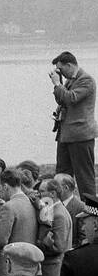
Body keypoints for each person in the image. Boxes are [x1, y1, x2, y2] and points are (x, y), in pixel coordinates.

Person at [51, 51, 97, 198]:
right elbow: (62, 100)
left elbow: (70, 99)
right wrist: (58, 85)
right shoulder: (70, 80)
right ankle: (65, 209)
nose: (60, 73)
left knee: (84, 178)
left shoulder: (86, 80)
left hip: (81, 136)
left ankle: (92, 213)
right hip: (65, 135)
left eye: (61, 69)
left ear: (69, 65)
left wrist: (57, 84)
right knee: (62, 175)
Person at [36, 178, 73, 276]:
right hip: (50, 273)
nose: (39, 194)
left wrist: (38, 243)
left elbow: (58, 247)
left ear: (52, 193)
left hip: (52, 274)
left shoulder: (58, 214)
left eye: (42, 191)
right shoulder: (54, 210)